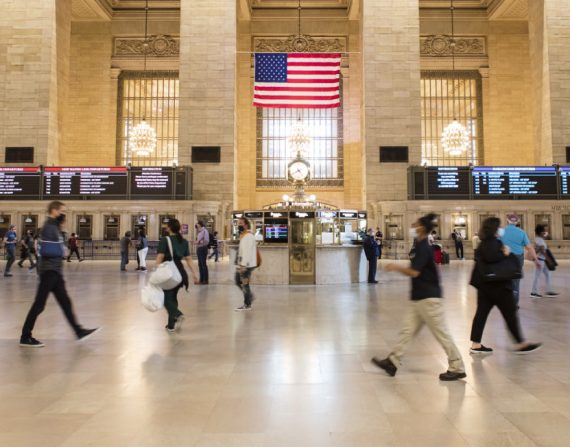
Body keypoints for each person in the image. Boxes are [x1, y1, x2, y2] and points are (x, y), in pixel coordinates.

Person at [371, 213, 466, 381]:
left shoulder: (423, 247)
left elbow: (414, 272)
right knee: (407, 331)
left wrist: (394, 267)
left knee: (441, 333)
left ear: (421, 228)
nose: (412, 227)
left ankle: (457, 366)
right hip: (420, 297)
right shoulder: (421, 244)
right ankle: (392, 361)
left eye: (415, 225)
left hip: (428, 298)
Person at [20, 201, 99, 348]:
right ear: (54, 211)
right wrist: (63, 250)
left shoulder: (54, 226)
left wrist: (62, 249)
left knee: (65, 302)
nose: (65, 214)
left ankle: (78, 331)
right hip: (49, 271)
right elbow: (48, 250)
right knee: (39, 305)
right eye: (63, 211)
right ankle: (25, 336)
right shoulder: (49, 227)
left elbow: (59, 248)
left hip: (55, 270)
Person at [469, 217, 542, 355]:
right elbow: (493, 258)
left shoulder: (483, 242)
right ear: (494, 229)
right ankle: (520, 344)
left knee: (481, 314)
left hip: (485, 286)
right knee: (510, 314)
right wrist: (505, 252)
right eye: (498, 227)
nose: (501, 229)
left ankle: (476, 344)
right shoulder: (493, 243)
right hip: (499, 286)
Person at [156, 219, 199, 332]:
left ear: (169, 228)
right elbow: (189, 259)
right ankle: (171, 325)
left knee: (164, 298)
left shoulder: (165, 240)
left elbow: (160, 257)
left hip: (168, 272)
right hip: (180, 273)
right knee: (172, 297)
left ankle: (177, 314)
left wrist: (156, 271)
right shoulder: (184, 241)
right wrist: (195, 274)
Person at [500, 214, 540, 305]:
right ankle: (514, 303)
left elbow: (497, 245)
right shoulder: (522, 232)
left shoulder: (502, 232)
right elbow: (529, 247)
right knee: (515, 281)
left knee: (504, 279)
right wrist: (536, 259)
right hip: (517, 259)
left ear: (507, 220)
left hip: (505, 257)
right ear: (517, 222)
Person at [235, 217, 257, 311]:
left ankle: (247, 304)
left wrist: (243, 265)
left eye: (241, 223)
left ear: (246, 225)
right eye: (238, 223)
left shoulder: (248, 236)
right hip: (245, 265)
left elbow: (247, 252)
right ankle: (249, 298)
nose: (239, 225)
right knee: (240, 281)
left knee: (244, 284)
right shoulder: (244, 235)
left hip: (247, 266)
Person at [531, 224, 559, 298]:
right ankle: (534, 292)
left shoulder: (539, 239)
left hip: (542, 261)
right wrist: (549, 260)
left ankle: (549, 291)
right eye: (544, 231)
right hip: (540, 261)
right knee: (537, 276)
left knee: (548, 275)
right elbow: (543, 251)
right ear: (540, 232)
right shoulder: (539, 240)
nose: (545, 232)